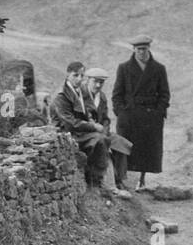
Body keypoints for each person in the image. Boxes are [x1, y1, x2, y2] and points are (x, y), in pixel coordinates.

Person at [111, 35, 170, 192]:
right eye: (139, 49)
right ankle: (121, 181)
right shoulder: (124, 68)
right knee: (124, 147)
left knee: (146, 149)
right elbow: (117, 94)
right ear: (133, 49)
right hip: (130, 115)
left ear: (149, 49)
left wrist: (158, 113)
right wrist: (121, 112)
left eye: (144, 49)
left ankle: (142, 180)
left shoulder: (158, 69)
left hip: (150, 117)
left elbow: (164, 95)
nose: (142, 53)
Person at [51, 60, 110, 189]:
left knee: (104, 138)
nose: (79, 79)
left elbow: (85, 112)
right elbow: (69, 122)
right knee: (100, 139)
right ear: (67, 74)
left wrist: (91, 121)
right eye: (75, 75)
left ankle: (94, 178)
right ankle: (95, 180)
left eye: (81, 76)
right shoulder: (61, 95)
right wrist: (92, 126)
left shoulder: (76, 91)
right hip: (64, 133)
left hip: (77, 131)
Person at [83, 67, 133, 197]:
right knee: (105, 146)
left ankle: (120, 179)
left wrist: (105, 129)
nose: (98, 85)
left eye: (101, 82)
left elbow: (105, 118)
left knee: (122, 143)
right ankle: (109, 185)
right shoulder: (81, 96)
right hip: (87, 133)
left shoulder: (102, 97)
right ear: (88, 80)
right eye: (95, 81)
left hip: (102, 132)